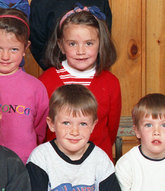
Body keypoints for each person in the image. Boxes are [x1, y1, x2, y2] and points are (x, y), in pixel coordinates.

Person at [39, 9, 121, 158]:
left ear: (100, 44)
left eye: (89, 43)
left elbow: (112, 129)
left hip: (97, 160)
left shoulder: (110, 82)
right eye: (72, 44)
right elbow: (41, 129)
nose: (81, 51)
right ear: (61, 45)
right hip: (55, 161)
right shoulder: (46, 80)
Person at [0, 8, 48, 162]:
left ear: (25, 49)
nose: (5, 56)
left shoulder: (36, 87)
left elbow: (41, 132)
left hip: (25, 165)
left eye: (14, 49)